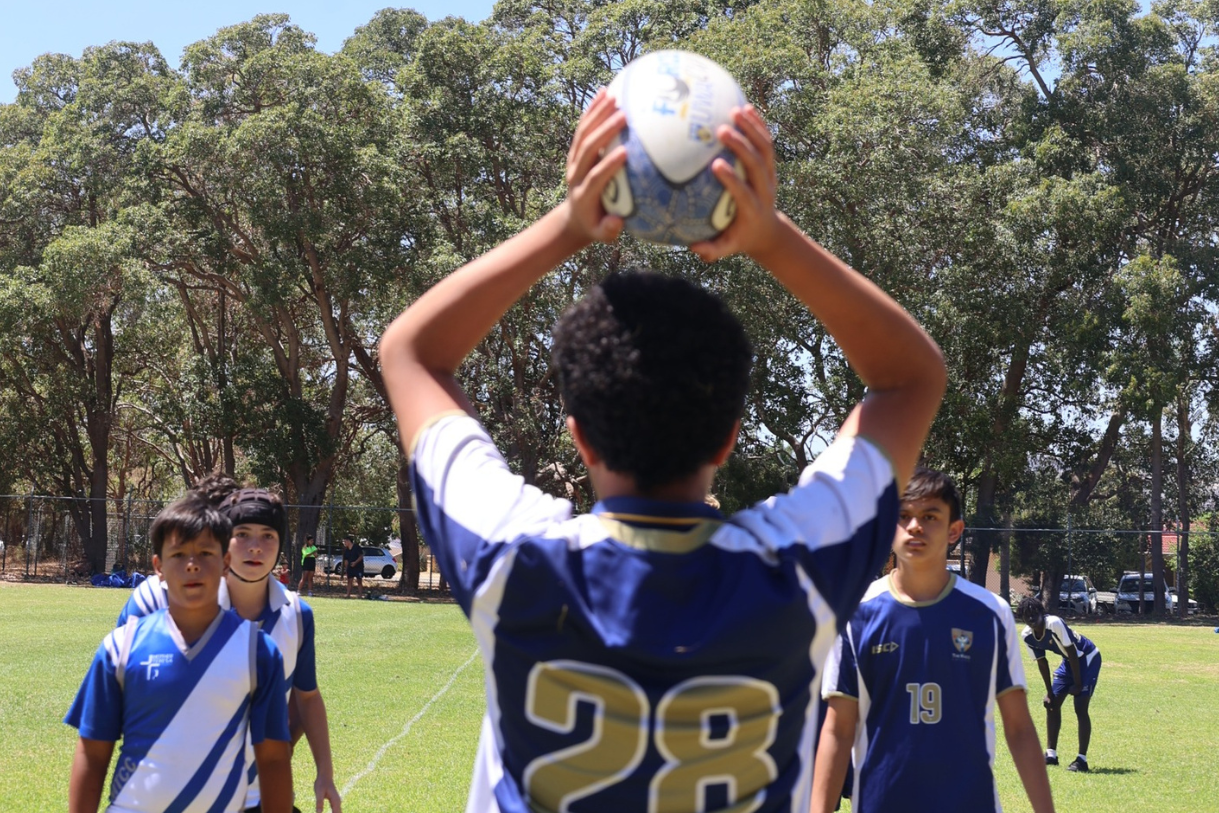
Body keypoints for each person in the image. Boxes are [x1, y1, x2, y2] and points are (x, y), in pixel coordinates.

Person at [379, 90, 946, 811]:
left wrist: (569, 225)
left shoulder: (515, 558)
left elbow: (411, 352)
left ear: (579, 435)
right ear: (730, 437)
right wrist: (769, 236)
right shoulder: (796, 568)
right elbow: (909, 378)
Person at [811, 468, 1055, 813]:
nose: (914, 526)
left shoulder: (989, 613)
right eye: (903, 516)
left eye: (930, 516)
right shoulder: (856, 615)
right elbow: (837, 731)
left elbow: (1018, 728)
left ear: (954, 530)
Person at [114, 478, 342, 813]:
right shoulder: (156, 598)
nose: (255, 547)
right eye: (242, 533)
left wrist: (308, 762)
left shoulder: (294, 614)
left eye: (267, 536)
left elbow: (304, 696)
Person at [66, 493, 292, 813]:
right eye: (178, 554)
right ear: (158, 567)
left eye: (205, 553)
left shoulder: (257, 652)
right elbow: (92, 753)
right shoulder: (121, 647)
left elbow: (273, 758)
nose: (192, 564)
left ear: (225, 562)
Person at [1017, 596, 1102, 773]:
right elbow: (1042, 662)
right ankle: (1051, 755)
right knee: (1052, 704)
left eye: (1034, 613)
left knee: (1080, 706)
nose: (1031, 618)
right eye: (1026, 615)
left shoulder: (1054, 623)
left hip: (1086, 657)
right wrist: (1050, 693)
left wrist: (1077, 684)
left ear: (1042, 612)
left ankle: (1081, 760)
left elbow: (1072, 652)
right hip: (1069, 661)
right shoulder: (1027, 635)